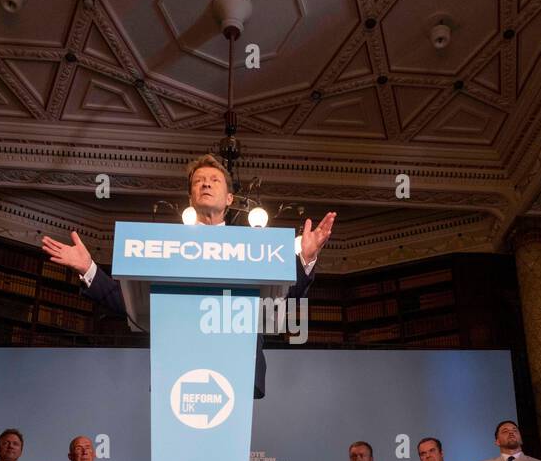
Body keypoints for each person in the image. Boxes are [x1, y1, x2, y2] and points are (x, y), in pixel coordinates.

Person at [40, 154, 336, 398]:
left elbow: (283, 301)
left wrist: (305, 258)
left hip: (239, 370)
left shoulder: (254, 249)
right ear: (190, 197)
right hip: (177, 369)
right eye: (199, 181)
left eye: (214, 180)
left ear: (230, 198)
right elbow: (128, 303)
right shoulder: (166, 249)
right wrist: (88, 268)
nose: (206, 183)